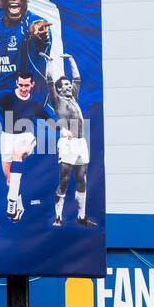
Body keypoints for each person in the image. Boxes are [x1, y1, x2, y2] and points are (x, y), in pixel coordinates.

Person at [0, 0, 52, 222]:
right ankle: (16, 202)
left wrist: (39, 37)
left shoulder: (33, 24)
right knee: (8, 171)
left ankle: (10, 201)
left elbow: (42, 40)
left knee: (19, 152)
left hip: (24, 104)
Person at [47, 55, 95, 228]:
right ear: (59, 89)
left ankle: (81, 216)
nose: (69, 87)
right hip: (67, 144)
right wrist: (50, 63)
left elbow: (77, 78)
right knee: (64, 180)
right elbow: (49, 81)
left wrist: (72, 60)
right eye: (65, 85)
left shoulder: (73, 97)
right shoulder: (57, 100)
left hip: (81, 143)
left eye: (69, 85)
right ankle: (58, 217)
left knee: (82, 179)